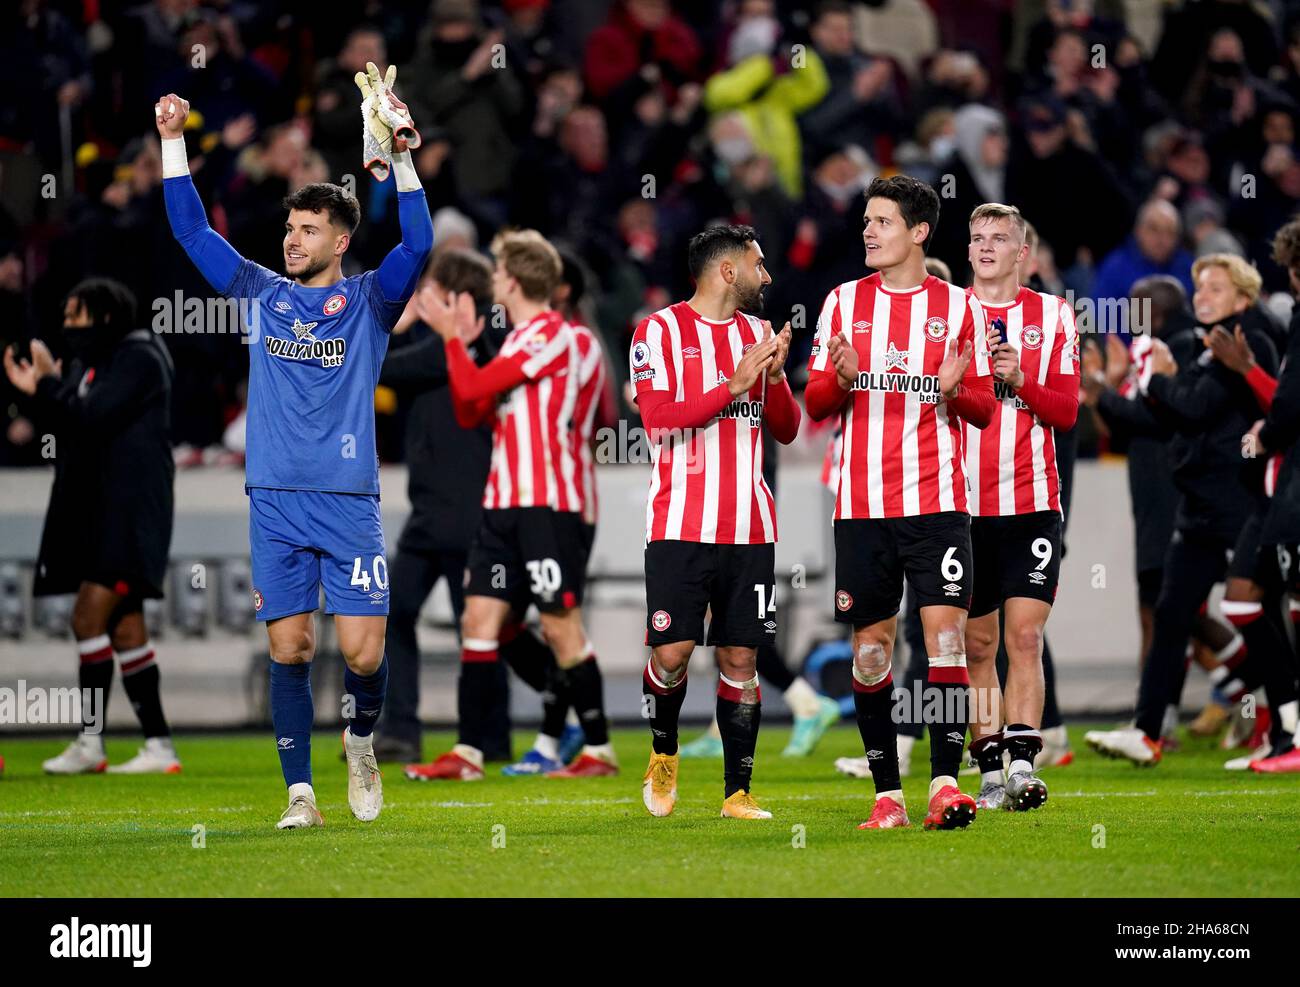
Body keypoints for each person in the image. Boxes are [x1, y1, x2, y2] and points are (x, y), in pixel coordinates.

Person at [157, 82, 433, 828]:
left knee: (365, 654)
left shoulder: (373, 302)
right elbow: (191, 234)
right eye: (290, 227)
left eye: (309, 229)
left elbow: (420, 246)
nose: (293, 239)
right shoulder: (259, 292)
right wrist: (174, 140)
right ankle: (300, 794)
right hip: (274, 497)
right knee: (291, 645)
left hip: (348, 499)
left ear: (339, 241)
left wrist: (404, 162)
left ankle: (362, 736)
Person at [805, 175, 995, 830]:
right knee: (872, 652)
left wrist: (954, 391)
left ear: (918, 232)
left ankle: (945, 783)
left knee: (945, 640)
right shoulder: (840, 304)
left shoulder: (962, 308)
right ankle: (888, 795)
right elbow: (815, 405)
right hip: (860, 506)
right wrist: (841, 378)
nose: (868, 230)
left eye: (881, 221)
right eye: (866, 221)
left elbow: (985, 409)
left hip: (937, 501)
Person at [406, 230, 616, 781]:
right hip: (503, 502)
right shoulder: (520, 340)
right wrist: (462, 346)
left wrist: (453, 341)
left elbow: (475, 390)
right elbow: (472, 410)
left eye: (499, 272)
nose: (492, 279)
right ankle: (469, 752)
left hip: (548, 504)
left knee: (560, 625)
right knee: (482, 620)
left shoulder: (556, 336)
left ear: (515, 281)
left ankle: (597, 747)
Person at [1085, 254, 1286, 765]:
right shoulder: (1204, 346)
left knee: (1253, 607)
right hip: (1200, 503)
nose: (1203, 296)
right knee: (1174, 614)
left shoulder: (1245, 343)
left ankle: (1277, 715)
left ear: (1243, 297)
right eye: (1200, 287)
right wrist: (1143, 387)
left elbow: (1193, 407)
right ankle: (1148, 730)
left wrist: (1154, 379)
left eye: (1215, 288)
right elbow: (1177, 411)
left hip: (1240, 499)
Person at [634, 224, 800, 820]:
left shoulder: (759, 333)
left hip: (750, 526)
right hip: (679, 523)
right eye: (759, 264)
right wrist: (731, 384)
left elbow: (786, 428)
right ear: (728, 271)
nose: (768, 277)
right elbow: (660, 422)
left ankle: (737, 793)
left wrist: (775, 378)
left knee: (741, 661)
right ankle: (663, 752)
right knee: (673, 654)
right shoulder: (658, 331)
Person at [4, 278, 178, 775]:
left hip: (129, 515)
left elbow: (93, 412)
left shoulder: (140, 356)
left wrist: (49, 385)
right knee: (126, 631)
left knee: (87, 619)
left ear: (103, 317)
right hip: (104, 513)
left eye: (75, 318)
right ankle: (160, 746)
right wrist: (37, 392)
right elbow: (71, 425)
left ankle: (91, 741)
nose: (67, 328)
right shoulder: (95, 363)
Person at [960, 203, 1079, 812]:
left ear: (1021, 253)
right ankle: (986, 768)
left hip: (1032, 502)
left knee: (1024, 637)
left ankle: (1024, 764)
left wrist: (1022, 380)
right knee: (978, 645)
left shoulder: (1053, 315)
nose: (985, 246)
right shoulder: (948, 312)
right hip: (962, 507)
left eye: (999, 238)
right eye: (978, 237)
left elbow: (1067, 412)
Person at [371, 247, 502, 764]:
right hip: (430, 515)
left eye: (430, 287)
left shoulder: (480, 347)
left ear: (454, 298)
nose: (420, 295)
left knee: (485, 631)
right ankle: (404, 728)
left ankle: (487, 737)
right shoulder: (444, 346)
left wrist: (393, 329)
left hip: (468, 517)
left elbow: (383, 368)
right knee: (398, 611)